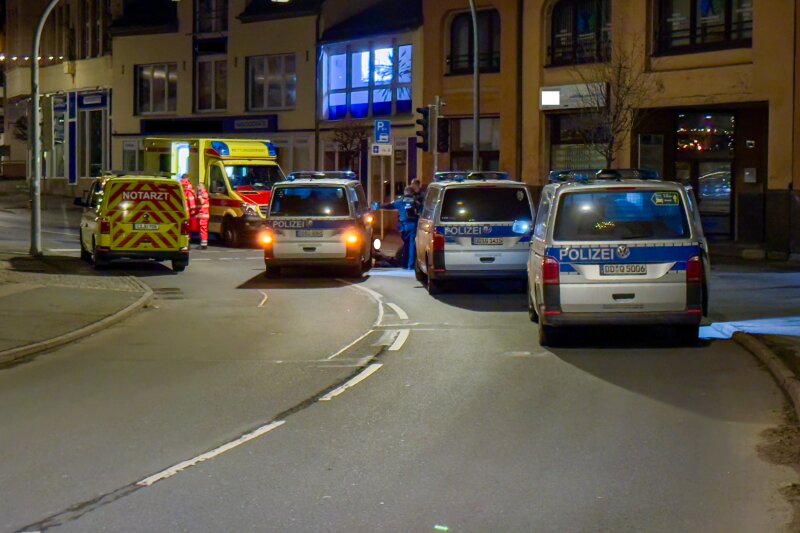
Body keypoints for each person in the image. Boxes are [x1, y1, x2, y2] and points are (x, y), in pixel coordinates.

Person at [379, 186, 421, 270]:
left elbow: (389, 206)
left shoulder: (400, 201)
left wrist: (379, 206)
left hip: (403, 226)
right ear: (412, 193)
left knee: (405, 244)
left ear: (405, 193)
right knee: (412, 245)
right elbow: (421, 211)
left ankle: (404, 264)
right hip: (413, 225)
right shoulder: (416, 202)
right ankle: (411, 265)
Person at [196, 182, 210, 249]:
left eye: (198, 186)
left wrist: (199, 196)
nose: (197, 188)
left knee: (203, 230)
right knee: (202, 230)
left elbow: (202, 202)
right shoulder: (202, 193)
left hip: (204, 215)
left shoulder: (204, 194)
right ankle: (203, 243)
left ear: (201, 187)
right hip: (202, 215)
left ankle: (203, 245)